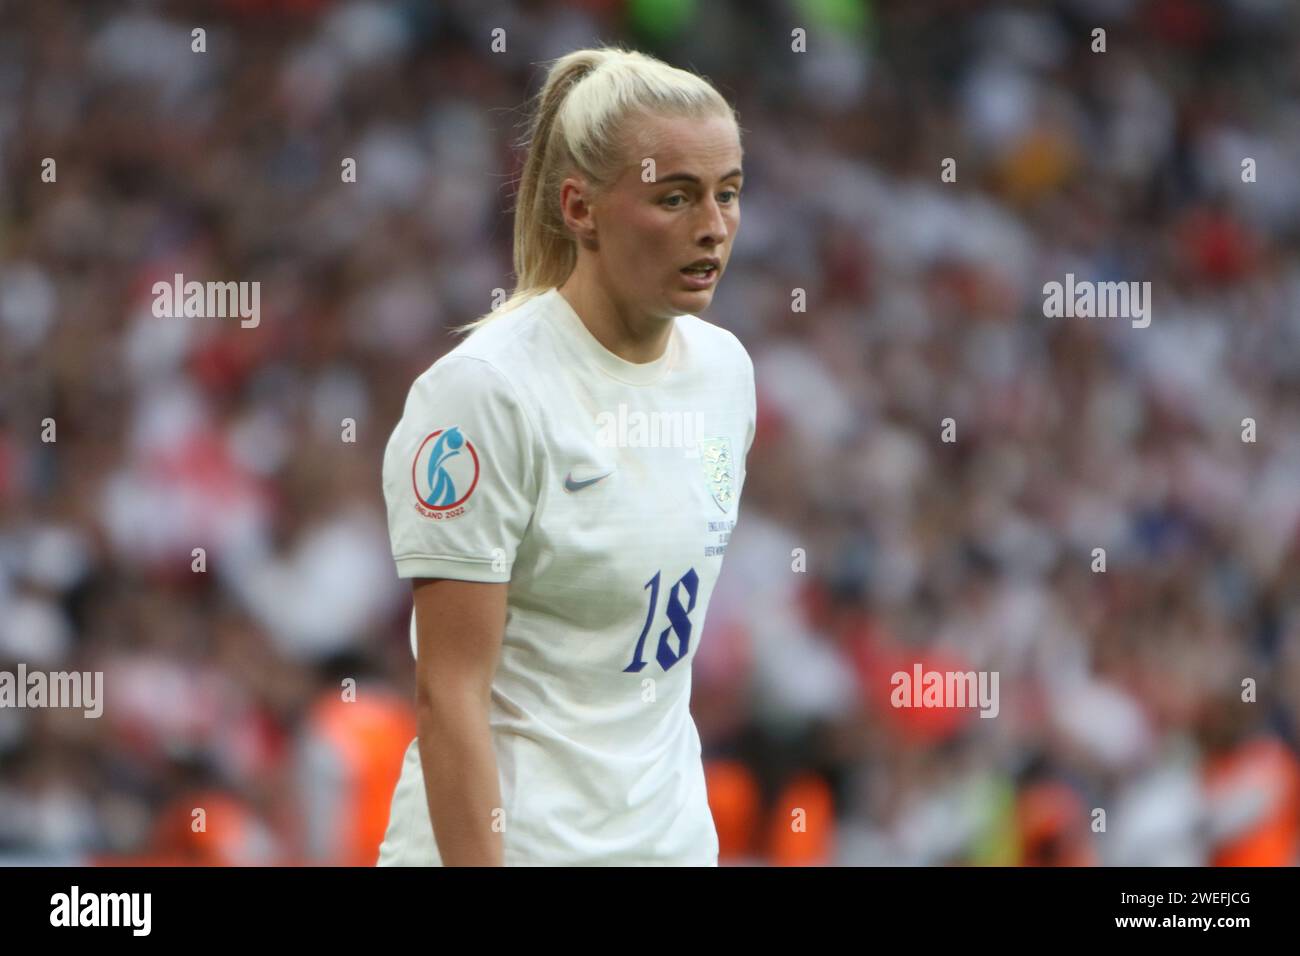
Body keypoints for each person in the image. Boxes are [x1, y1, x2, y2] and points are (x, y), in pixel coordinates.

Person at [377, 45, 754, 865]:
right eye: (675, 197)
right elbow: (450, 697)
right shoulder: (485, 395)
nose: (713, 226)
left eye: (728, 193)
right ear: (580, 207)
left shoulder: (726, 372)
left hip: (669, 844)